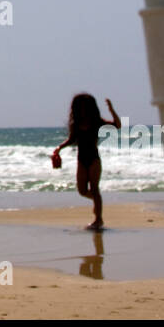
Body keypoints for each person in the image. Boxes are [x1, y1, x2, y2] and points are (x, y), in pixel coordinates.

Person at [52, 93, 121, 231]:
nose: (83, 109)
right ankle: (98, 202)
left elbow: (117, 125)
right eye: (81, 106)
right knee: (82, 191)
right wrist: (59, 148)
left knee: (94, 189)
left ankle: (98, 219)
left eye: (85, 106)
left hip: (94, 158)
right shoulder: (76, 123)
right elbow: (71, 140)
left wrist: (111, 109)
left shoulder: (97, 121)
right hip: (81, 159)